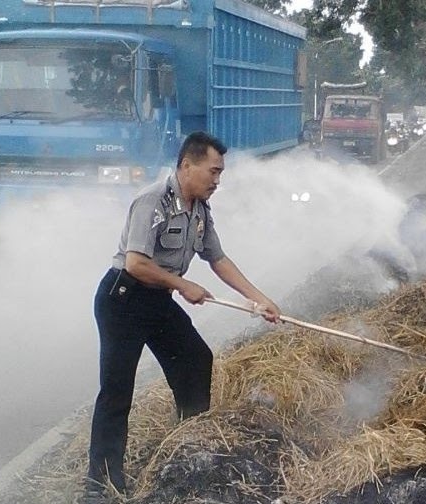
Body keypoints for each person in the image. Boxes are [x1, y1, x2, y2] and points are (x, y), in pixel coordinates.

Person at [84, 131, 280, 498]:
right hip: (123, 300)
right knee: (116, 392)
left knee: (195, 359)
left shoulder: (200, 211)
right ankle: (101, 484)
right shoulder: (153, 201)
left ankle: (188, 449)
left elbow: (217, 259)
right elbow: (136, 263)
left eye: (220, 174)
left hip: (156, 301)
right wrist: (181, 285)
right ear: (187, 165)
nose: (217, 181)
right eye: (213, 171)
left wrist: (259, 299)